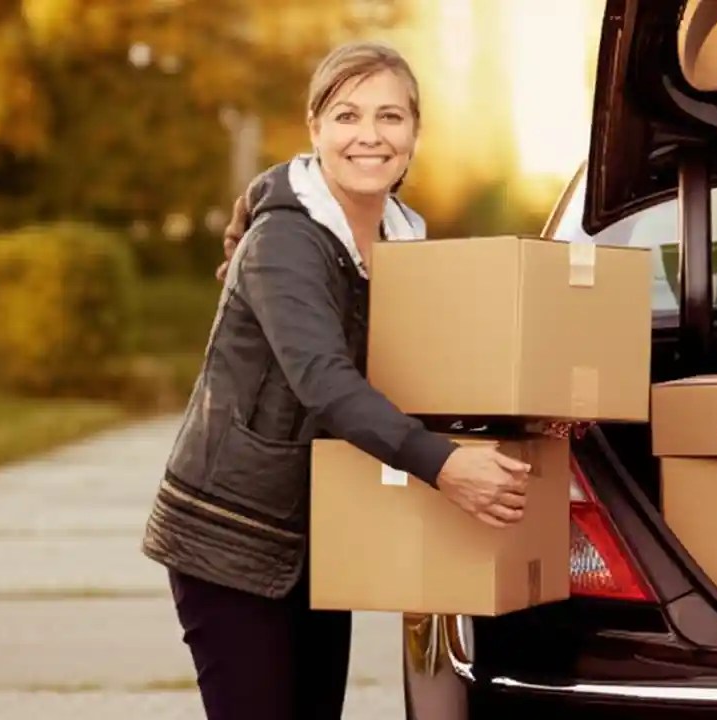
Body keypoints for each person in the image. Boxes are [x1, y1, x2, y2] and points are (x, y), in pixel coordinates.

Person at [142, 41, 532, 720]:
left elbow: (426, 374)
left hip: (322, 537)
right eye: (348, 116)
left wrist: (531, 416)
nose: (370, 137)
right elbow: (325, 380)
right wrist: (445, 468)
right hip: (233, 538)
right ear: (315, 128)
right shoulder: (287, 240)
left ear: (414, 134)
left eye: (390, 117)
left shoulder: (402, 242)